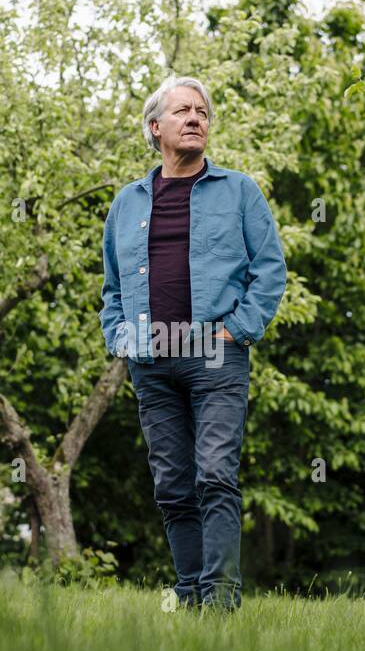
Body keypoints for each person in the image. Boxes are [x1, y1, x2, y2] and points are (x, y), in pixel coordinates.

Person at [98, 75, 286, 612]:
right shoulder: (126, 204)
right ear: (155, 127)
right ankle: (189, 597)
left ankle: (221, 601)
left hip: (215, 354)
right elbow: (112, 287)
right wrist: (121, 337)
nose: (196, 119)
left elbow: (270, 269)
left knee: (216, 475)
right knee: (173, 486)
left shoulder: (239, 191)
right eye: (183, 111)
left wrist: (239, 328)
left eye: (202, 112)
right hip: (151, 358)